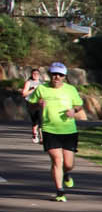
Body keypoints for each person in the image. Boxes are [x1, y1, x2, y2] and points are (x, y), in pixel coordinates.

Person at [23, 61, 84, 201]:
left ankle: (66, 174)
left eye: (60, 75)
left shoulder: (71, 90)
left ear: (64, 76)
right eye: (54, 74)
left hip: (69, 130)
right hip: (49, 130)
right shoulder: (41, 89)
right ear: (50, 75)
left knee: (68, 164)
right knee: (57, 160)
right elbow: (31, 106)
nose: (57, 77)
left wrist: (73, 111)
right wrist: (37, 105)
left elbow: (79, 106)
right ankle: (60, 192)